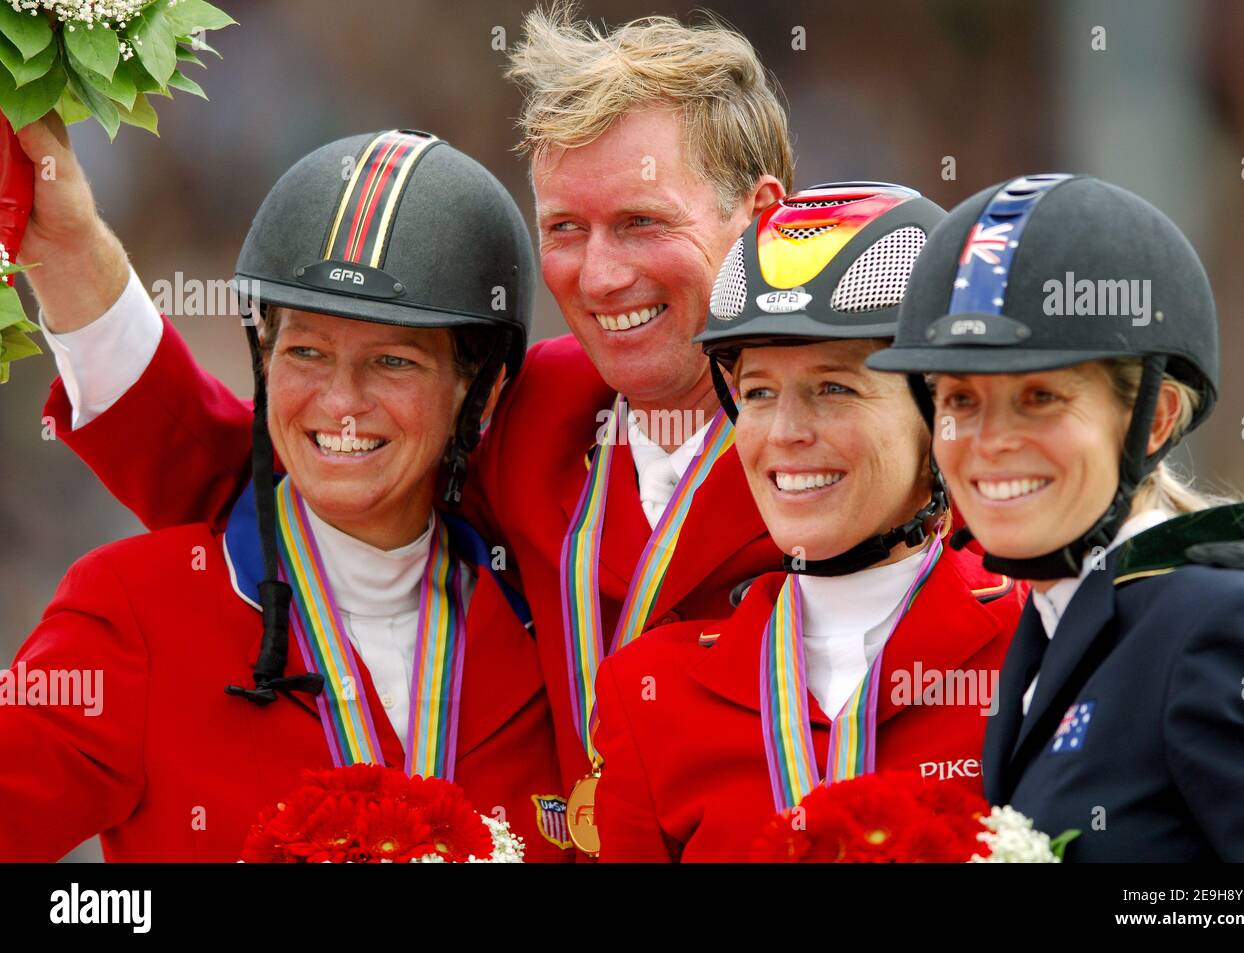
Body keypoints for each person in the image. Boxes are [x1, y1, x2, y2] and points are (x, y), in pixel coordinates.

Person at [30, 10, 796, 847]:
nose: (604, 275)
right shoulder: (539, 411)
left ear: (761, 215)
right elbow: (282, 475)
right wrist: (68, 256)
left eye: (642, 221)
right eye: (566, 228)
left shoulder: (875, 431)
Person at [0, 129, 571, 862]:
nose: (340, 402)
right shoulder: (133, 611)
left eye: (392, 361)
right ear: (263, 358)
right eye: (305, 351)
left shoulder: (550, 632)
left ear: (482, 389)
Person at [867, 173, 1244, 861]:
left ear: (1152, 420)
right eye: (960, 400)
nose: (990, 442)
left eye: (1038, 396)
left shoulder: (1220, 628)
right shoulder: (1055, 627)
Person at [592, 182, 1026, 861]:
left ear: (945, 412)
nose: (786, 433)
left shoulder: (1038, 650)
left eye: (834, 387)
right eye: (759, 391)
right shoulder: (647, 697)